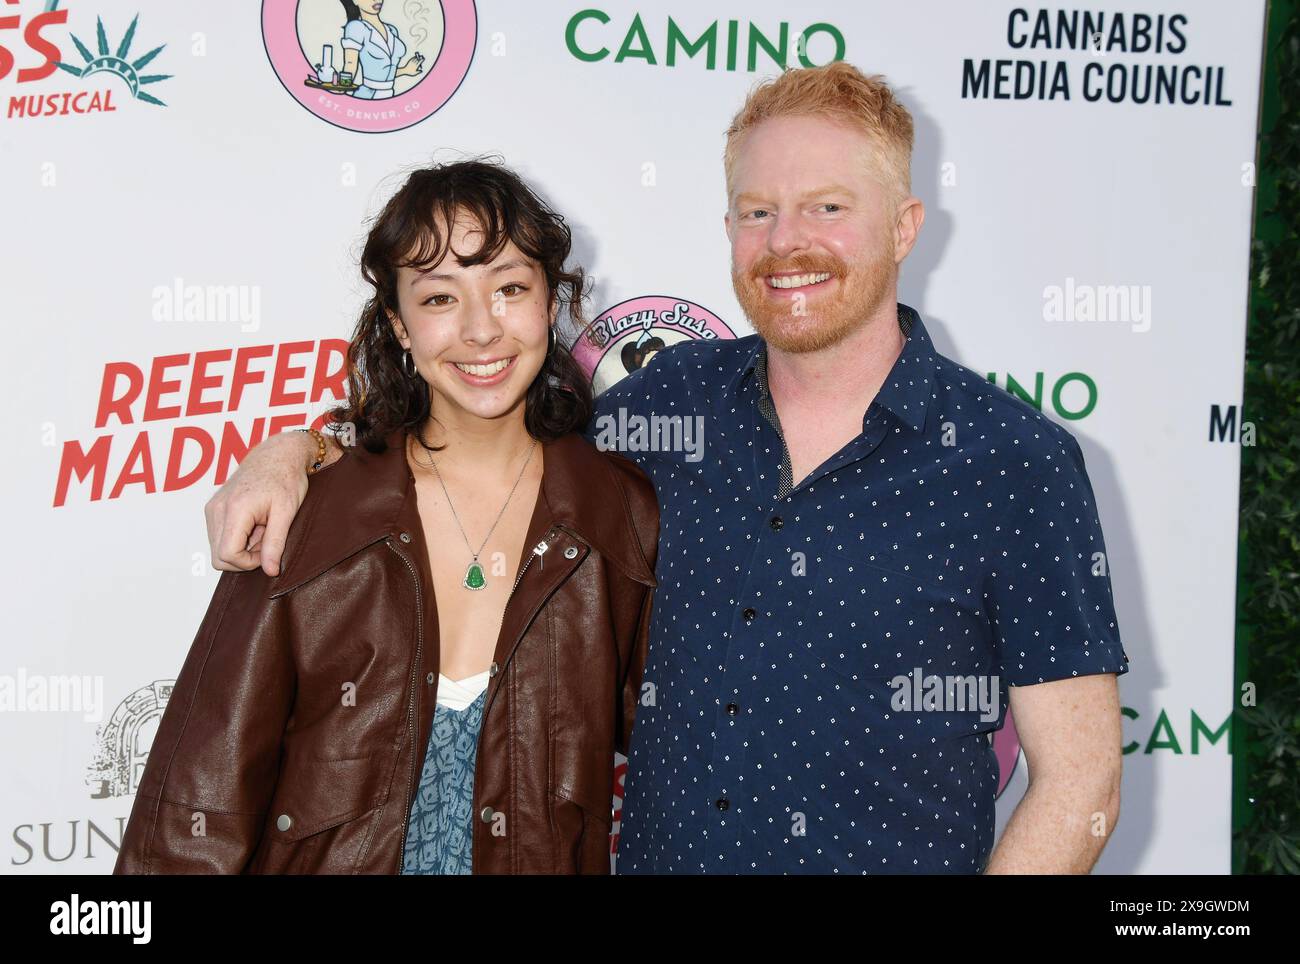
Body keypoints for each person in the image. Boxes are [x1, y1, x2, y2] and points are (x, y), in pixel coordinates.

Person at [204, 63, 1131, 875]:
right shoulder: (661, 408)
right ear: (728, 226)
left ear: (905, 226)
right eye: (759, 211)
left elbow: (1080, 784)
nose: (787, 241)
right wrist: (303, 450)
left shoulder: (1015, 463)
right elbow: (471, 435)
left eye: (829, 208)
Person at [114, 160, 658, 874]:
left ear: (549, 302)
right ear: (400, 326)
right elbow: (201, 791)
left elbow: (679, 758)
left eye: (510, 289)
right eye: (439, 299)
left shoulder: (618, 514)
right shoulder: (315, 508)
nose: (480, 330)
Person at [338, 0, 424, 100]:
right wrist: (341, 87)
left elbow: (382, 71)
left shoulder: (392, 30)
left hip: (389, 94)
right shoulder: (356, 27)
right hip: (368, 95)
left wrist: (406, 70)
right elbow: (350, 64)